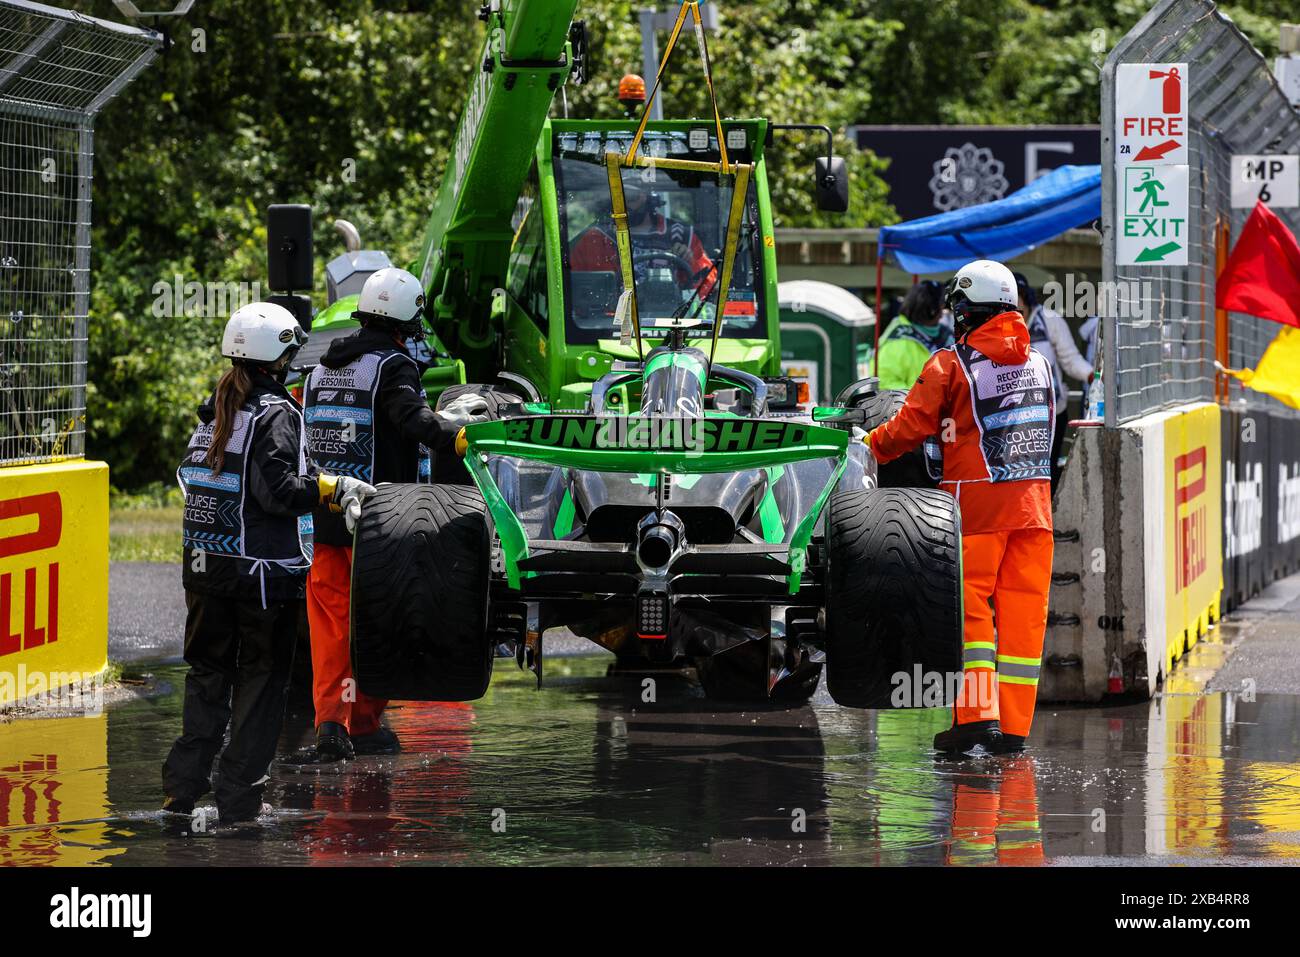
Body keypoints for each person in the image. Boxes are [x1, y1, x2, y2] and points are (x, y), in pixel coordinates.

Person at [163, 303, 371, 823]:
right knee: (261, 684)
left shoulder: (217, 406)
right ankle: (239, 802)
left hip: (206, 571)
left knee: (207, 678)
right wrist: (331, 488)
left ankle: (180, 794)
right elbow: (277, 490)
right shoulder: (277, 412)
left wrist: (320, 479)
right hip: (262, 581)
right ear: (277, 357)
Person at [296, 267, 490, 763]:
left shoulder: (319, 369)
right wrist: (460, 436)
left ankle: (329, 724)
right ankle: (362, 724)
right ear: (406, 321)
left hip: (324, 515)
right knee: (376, 619)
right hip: (380, 521)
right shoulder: (393, 366)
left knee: (332, 624)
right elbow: (414, 421)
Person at [864, 259, 1054, 758]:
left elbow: (910, 426)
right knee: (1023, 623)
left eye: (959, 310)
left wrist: (869, 445)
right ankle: (1012, 731)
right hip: (1035, 514)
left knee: (970, 616)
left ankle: (975, 719)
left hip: (976, 511)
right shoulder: (1041, 365)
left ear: (967, 312)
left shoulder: (950, 364)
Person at [1013, 273, 1092, 489]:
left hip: (1052, 413)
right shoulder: (999, 325)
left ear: (1026, 297)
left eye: (1017, 296)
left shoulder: (1049, 320)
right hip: (1012, 417)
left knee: (1045, 472)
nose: (1014, 303)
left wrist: (1091, 374)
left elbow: (1070, 359)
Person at [570, 180, 714, 295]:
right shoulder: (594, 239)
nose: (624, 204)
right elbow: (574, 292)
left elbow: (709, 290)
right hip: (612, 324)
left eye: (630, 196)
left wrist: (691, 263)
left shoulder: (682, 236)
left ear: (649, 198)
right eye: (617, 197)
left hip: (673, 320)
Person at [871, 279, 954, 390]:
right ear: (931, 310)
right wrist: (918, 398)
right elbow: (885, 383)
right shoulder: (899, 342)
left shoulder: (943, 334)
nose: (943, 313)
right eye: (941, 306)